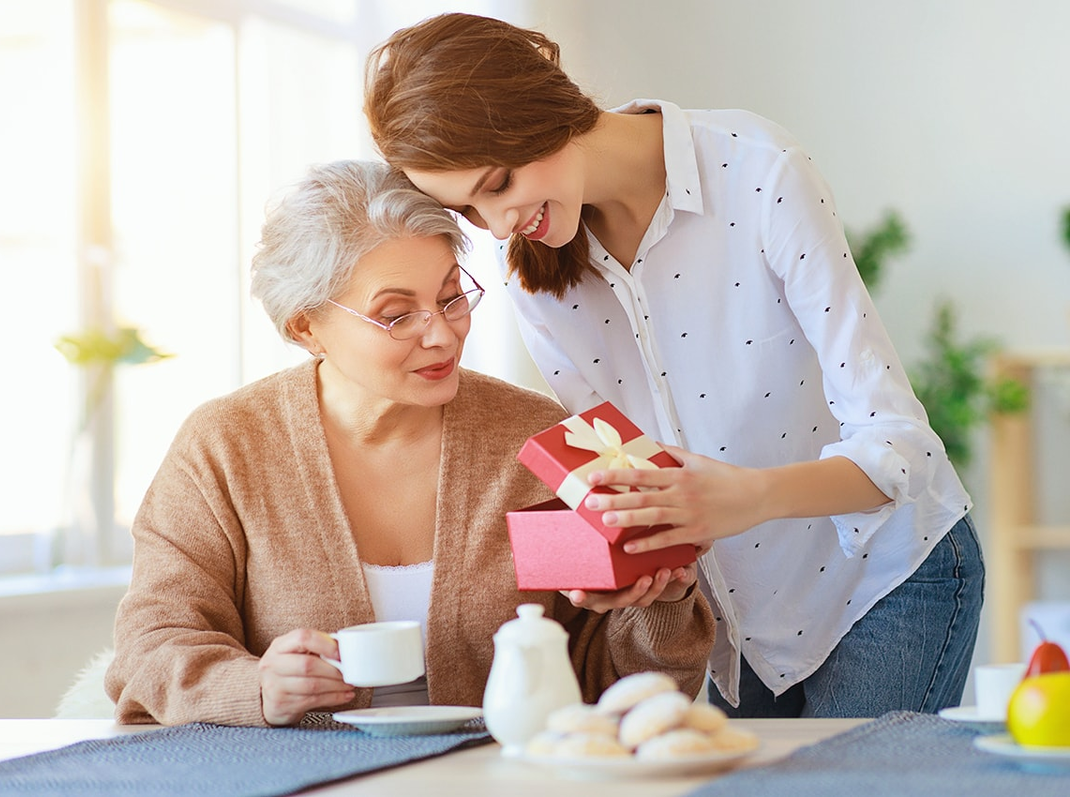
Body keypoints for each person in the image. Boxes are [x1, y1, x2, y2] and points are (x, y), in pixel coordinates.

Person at [364, 13, 984, 719]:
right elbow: (637, 478)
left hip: (884, 580)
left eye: (499, 182)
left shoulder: (757, 172)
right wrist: (633, 561)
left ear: (543, 107)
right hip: (740, 625)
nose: (499, 223)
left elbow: (902, 445)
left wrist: (744, 497)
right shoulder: (537, 283)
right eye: (469, 210)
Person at [104, 160, 715, 727]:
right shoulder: (226, 447)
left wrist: (662, 598)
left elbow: (614, 688)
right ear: (305, 325)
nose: (442, 336)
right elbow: (153, 645)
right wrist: (253, 687)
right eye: (397, 315)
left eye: (451, 297)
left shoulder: (537, 442)